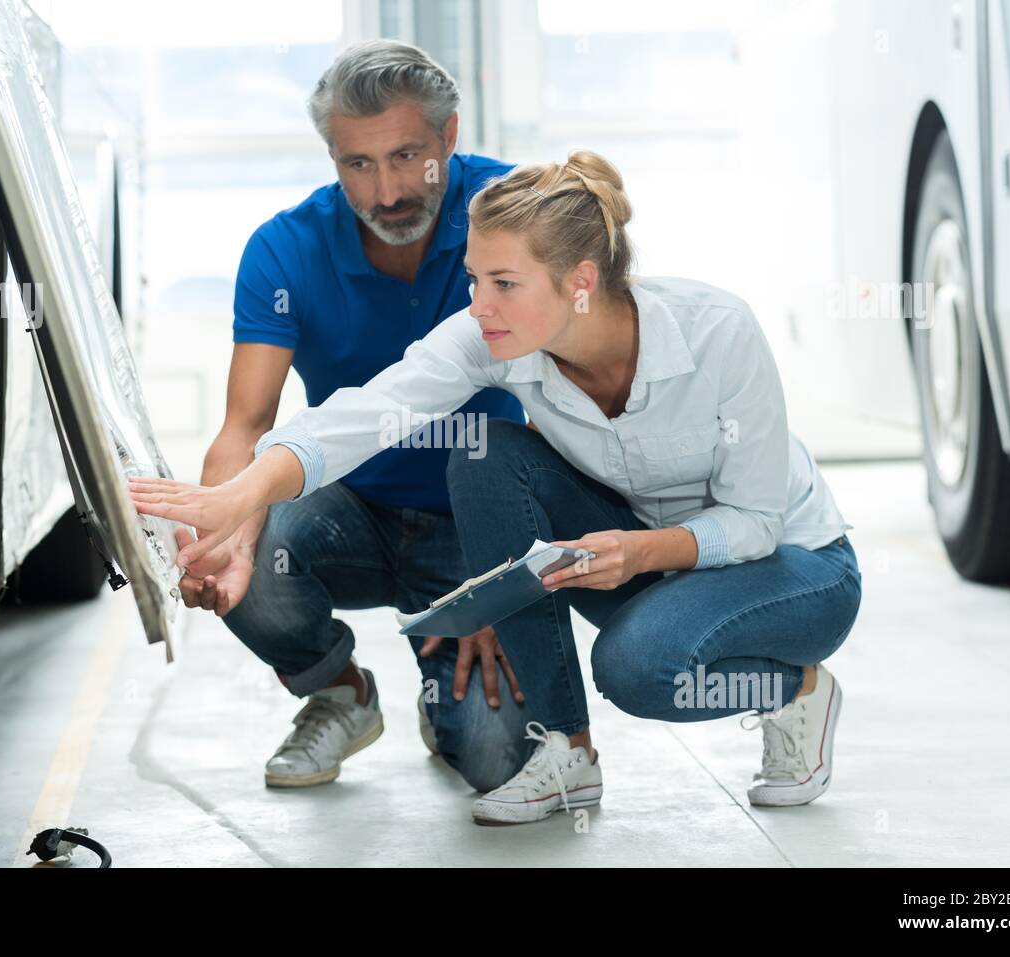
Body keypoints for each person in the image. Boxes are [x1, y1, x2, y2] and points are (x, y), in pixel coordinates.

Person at [136, 149, 862, 826]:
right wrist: (247, 490)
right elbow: (368, 412)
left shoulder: (717, 332)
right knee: (485, 457)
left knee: (637, 667)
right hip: (641, 556)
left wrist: (642, 551)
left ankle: (799, 691)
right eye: (475, 280)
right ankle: (565, 750)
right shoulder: (492, 338)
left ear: (580, 283)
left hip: (790, 569)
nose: (479, 304)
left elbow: (757, 521)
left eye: (504, 284)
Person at [186, 39, 536, 794]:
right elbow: (245, 426)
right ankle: (342, 689)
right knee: (246, 551)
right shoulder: (285, 250)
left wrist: (500, 580)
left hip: (482, 521)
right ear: (332, 157)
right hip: (348, 507)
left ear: (449, 136)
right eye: (359, 165)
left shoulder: (516, 212)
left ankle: (444, 703)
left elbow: (569, 414)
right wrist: (215, 528)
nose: (387, 193)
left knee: (497, 763)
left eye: (409, 156)